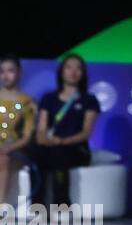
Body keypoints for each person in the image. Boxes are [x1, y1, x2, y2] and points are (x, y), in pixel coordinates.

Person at [34, 54, 100, 207]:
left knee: (59, 153)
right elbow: (41, 128)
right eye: (69, 67)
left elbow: (86, 133)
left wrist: (62, 141)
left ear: (83, 73)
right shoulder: (49, 98)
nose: (73, 72)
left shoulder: (89, 100)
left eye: (78, 68)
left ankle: (62, 206)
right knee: (37, 154)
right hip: (51, 147)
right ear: (61, 71)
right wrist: (43, 139)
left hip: (76, 149)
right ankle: (37, 207)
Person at [0, 54, 37, 207]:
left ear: (19, 73)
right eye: (2, 71)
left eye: (10, 71)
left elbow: (27, 137)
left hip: (14, 150)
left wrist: (8, 148)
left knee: (2, 158)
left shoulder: (27, 102)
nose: (5, 75)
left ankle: (1, 206)